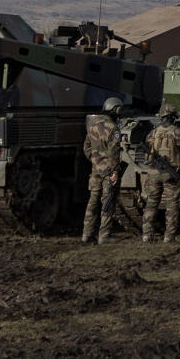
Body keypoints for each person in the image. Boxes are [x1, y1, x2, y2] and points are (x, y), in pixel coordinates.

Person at [81, 94, 125, 245]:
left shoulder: (92, 126)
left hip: (95, 170)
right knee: (107, 202)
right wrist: (115, 172)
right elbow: (114, 152)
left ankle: (86, 234)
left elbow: (86, 147)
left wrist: (95, 160)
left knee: (92, 202)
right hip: (108, 172)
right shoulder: (113, 128)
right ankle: (104, 235)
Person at [140, 107, 180, 243]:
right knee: (171, 205)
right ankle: (169, 236)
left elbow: (147, 146)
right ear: (173, 117)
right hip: (171, 173)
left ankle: (146, 235)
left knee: (151, 203)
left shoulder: (153, 132)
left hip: (153, 173)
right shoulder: (178, 132)